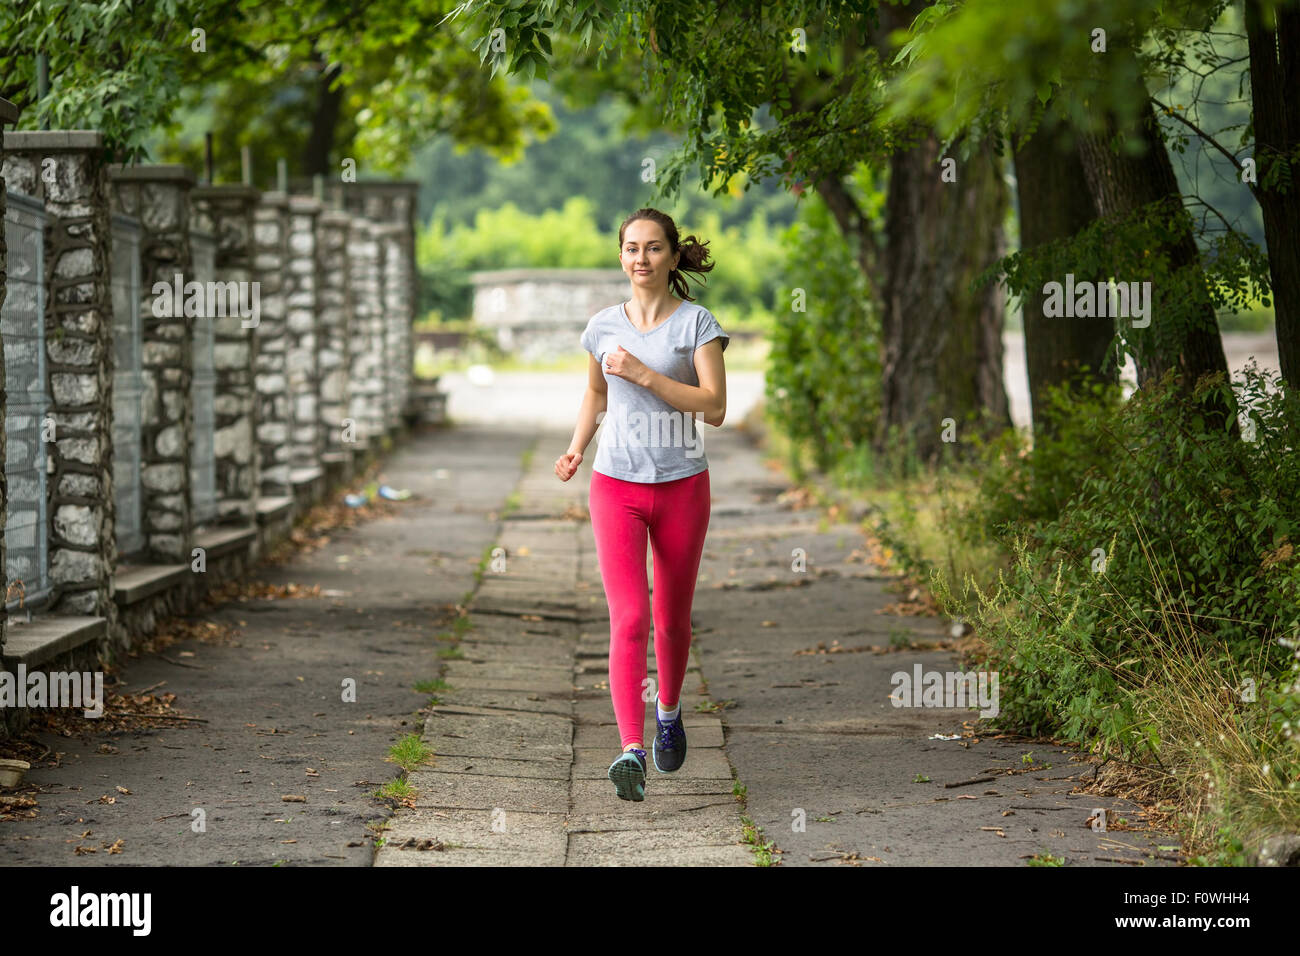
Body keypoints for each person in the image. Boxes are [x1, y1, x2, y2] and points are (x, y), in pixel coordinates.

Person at [554, 208, 729, 802]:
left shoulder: (697, 324)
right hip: (616, 487)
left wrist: (646, 373)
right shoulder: (603, 326)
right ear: (621, 255)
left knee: (672, 620)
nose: (642, 259)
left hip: (682, 486)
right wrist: (577, 448)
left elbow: (715, 407)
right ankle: (630, 748)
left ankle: (671, 713)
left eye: (655, 249)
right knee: (629, 618)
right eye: (632, 248)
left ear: (674, 257)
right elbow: (596, 392)